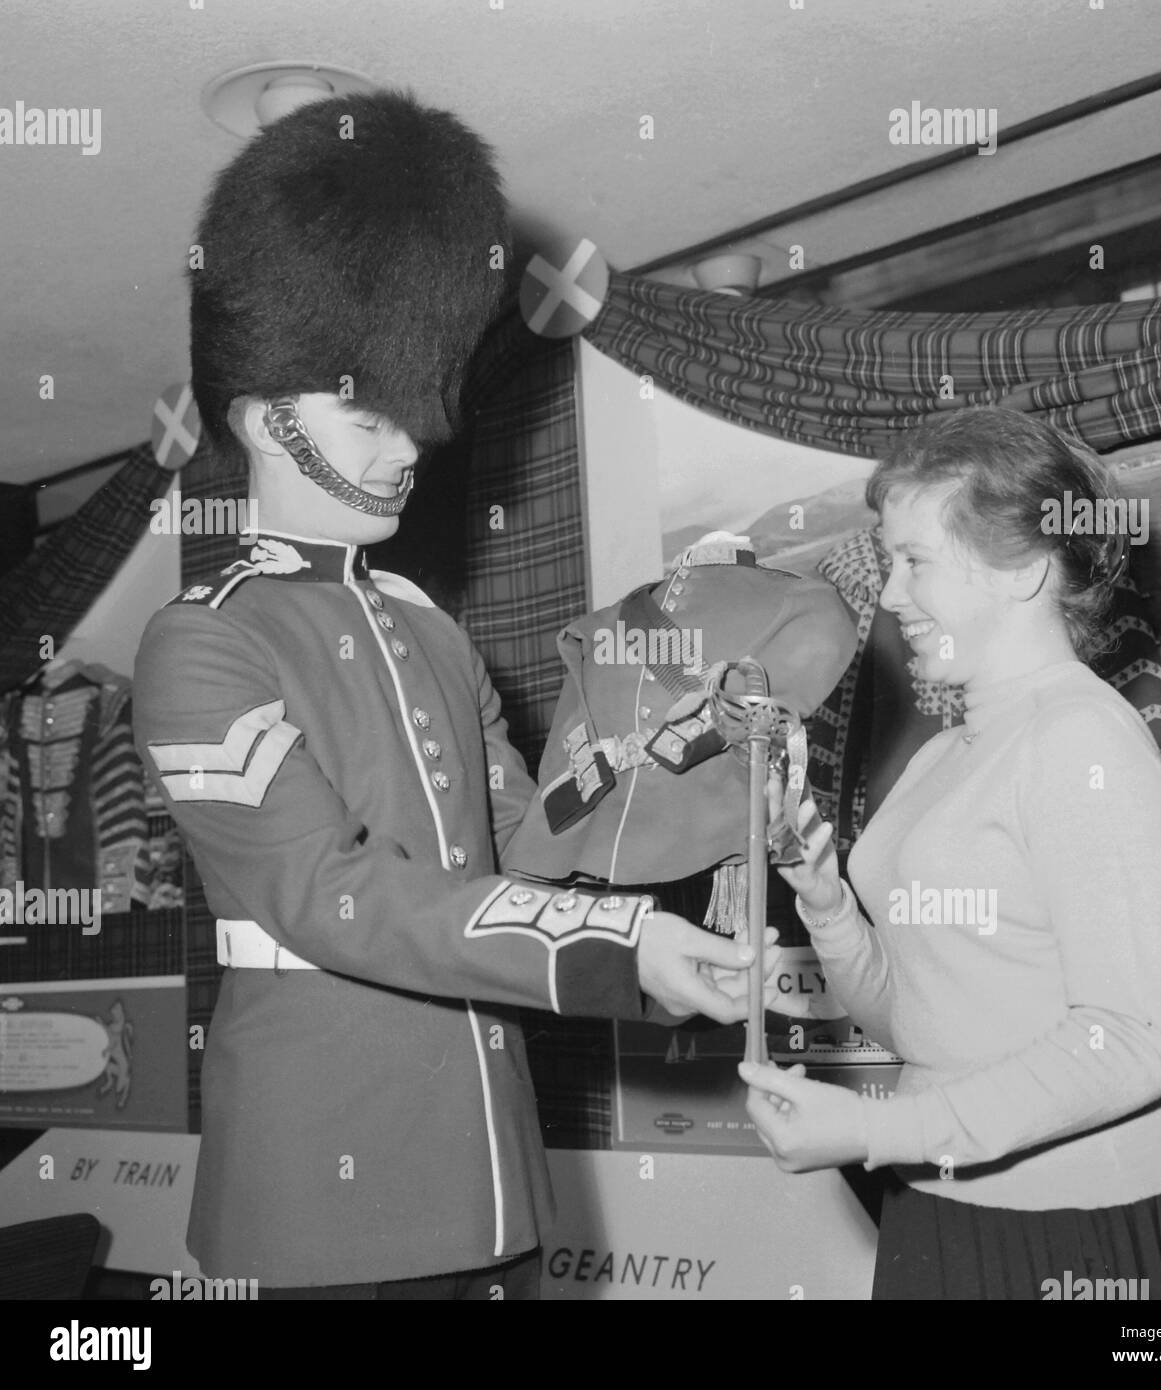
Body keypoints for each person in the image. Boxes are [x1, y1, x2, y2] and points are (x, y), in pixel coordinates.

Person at [133, 90, 757, 1299]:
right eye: (367, 414)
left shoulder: (426, 627)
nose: (409, 444)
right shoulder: (198, 647)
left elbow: (526, 846)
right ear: (265, 419)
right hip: (319, 1208)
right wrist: (622, 946)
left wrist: (676, 745)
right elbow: (337, 899)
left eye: (410, 406)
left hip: (496, 1182)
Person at [741, 406, 1161, 1300]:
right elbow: (924, 1025)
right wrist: (825, 904)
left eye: (915, 561)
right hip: (946, 1201)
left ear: (1022, 570)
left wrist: (874, 1131)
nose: (889, 595)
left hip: (1088, 1236)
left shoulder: (1083, 743)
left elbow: (1127, 1044)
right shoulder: (948, 750)